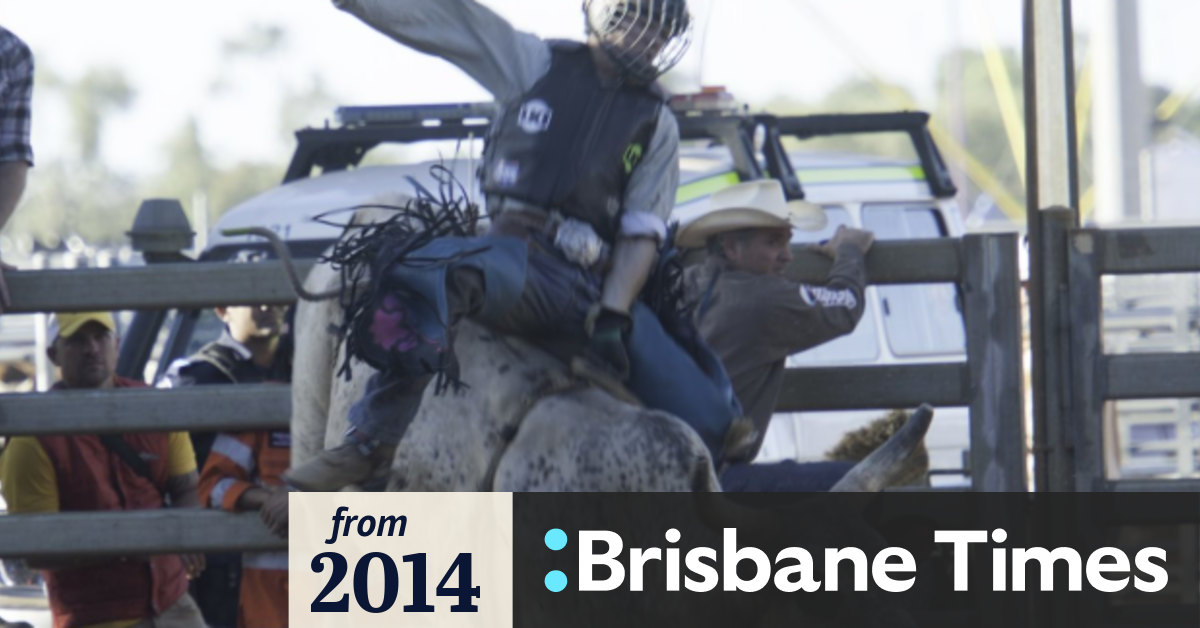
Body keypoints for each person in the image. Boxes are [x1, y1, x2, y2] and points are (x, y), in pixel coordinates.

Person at [286, 0, 741, 491]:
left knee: (713, 417)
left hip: (578, 280)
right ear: (604, 13)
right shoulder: (534, 64)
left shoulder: (657, 123)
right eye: (643, 21)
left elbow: (641, 234)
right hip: (510, 250)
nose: (652, 41)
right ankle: (374, 441)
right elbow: (446, 21)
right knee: (433, 273)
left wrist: (613, 316)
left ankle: (370, 443)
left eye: (663, 31)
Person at [0, 312, 207, 628]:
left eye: (100, 337)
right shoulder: (32, 438)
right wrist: (129, 544)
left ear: (117, 345)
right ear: (54, 355)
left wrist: (186, 534)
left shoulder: (155, 408)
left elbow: (186, 488)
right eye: (78, 340)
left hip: (173, 604)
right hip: (97, 616)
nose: (92, 348)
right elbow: (37, 550)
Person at [677, 179, 876, 486]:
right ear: (731, 248)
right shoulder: (764, 299)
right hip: (715, 478)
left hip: (671, 467)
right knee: (864, 479)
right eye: (773, 243)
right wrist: (849, 251)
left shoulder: (688, 282)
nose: (788, 256)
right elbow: (845, 306)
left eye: (786, 242)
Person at [163, 300, 291, 628]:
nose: (267, 305)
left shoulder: (306, 368)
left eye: (272, 295)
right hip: (219, 555)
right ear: (222, 311)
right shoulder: (195, 377)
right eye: (252, 297)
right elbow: (168, 470)